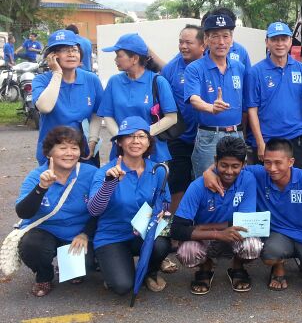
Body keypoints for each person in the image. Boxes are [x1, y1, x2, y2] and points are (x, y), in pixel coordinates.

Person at [234, 137, 302, 296]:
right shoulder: (258, 174)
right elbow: (230, 167)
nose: (272, 168)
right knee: (270, 253)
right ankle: (278, 266)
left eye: (278, 163)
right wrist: (209, 173)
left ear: (290, 162)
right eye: (267, 162)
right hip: (279, 236)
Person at [86, 118, 171, 296]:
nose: (136, 141)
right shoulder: (105, 172)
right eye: (129, 136)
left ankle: (149, 273)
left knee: (162, 244)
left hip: (143, 233)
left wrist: (162, 211)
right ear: (119, 142)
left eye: (141, 136)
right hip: (112, 236)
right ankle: (108, 265)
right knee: (123, 286)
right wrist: (109, 183)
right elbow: (94, 210)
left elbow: (164, 201)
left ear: (149, 142)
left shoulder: (158, 170)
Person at [171, 136, 259, 294]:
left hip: (232, 234)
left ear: (243, 164)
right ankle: (205, 268)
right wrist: (218, 234)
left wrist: (202, 227)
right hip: (206, 238)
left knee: (253, 246)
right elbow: (177, 229)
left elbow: (244, 222)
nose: (229, 171)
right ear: (215, 161)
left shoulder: (248, 179)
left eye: (235, 166)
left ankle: (237, 267)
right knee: (187, 253)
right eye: (224, 165)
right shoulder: (198, 186)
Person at [16, 127, 98, 297]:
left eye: (74, 148)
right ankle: (44, 275)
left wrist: (85, 234)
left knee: (86, 264)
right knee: (32, 246)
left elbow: (101, 209)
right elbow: (23, 212)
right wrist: (41, 188)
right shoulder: (37, 176)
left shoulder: (91, 173)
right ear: (49, 153)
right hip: (46, 231)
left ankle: (67, 267)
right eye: (62, 148)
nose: (69, 153)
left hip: (78, 233)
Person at [98, 33, 177, 164]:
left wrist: (141, 137)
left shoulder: (158, 81)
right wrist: (121, 137)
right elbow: (108, 115)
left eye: (119, 55)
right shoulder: (114, 82)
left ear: (134, 58)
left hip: (153, 152)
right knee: (117, 177)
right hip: (121, 152)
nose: (115, 59)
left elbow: (171, 117)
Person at [185, 13, 246, 178]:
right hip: (209, 137)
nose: (221, 42)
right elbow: (194, 99)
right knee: (207, 182)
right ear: (206, 39)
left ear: (231, 39)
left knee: (236, 182)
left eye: (226, 36)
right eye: (215, 36)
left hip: (236, 134)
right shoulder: (195, 68)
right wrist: (211, 108)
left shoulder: (239, 67)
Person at [33, 29, 104, 165]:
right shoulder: (41, 80)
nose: (71, 54)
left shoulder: (91, 79)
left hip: (83, 152)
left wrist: (93, 140)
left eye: (74, 50)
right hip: (53, 152)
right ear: (52, 56)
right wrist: (57, 73)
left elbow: (97, 112)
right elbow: (45, 107)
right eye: (65, 50)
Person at [247, 21, 302, 169]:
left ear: (290, 41)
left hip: (298, 139)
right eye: (275, 39)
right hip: (268, 141)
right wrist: (260, 143)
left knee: (296, 182)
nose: (280, 44)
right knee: (267, 183)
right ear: (267, 42)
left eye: (284, 39)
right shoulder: (255, 72)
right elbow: (252, 110)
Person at [161, 24, 205, 212]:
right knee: (177, 182)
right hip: (179, 138)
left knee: (205, 181)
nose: (183, 47)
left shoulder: (212, 65)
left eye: (188, 42)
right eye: (181, 42)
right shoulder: (171, 69)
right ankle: (175, 223)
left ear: (203, 45)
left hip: (206, 136)